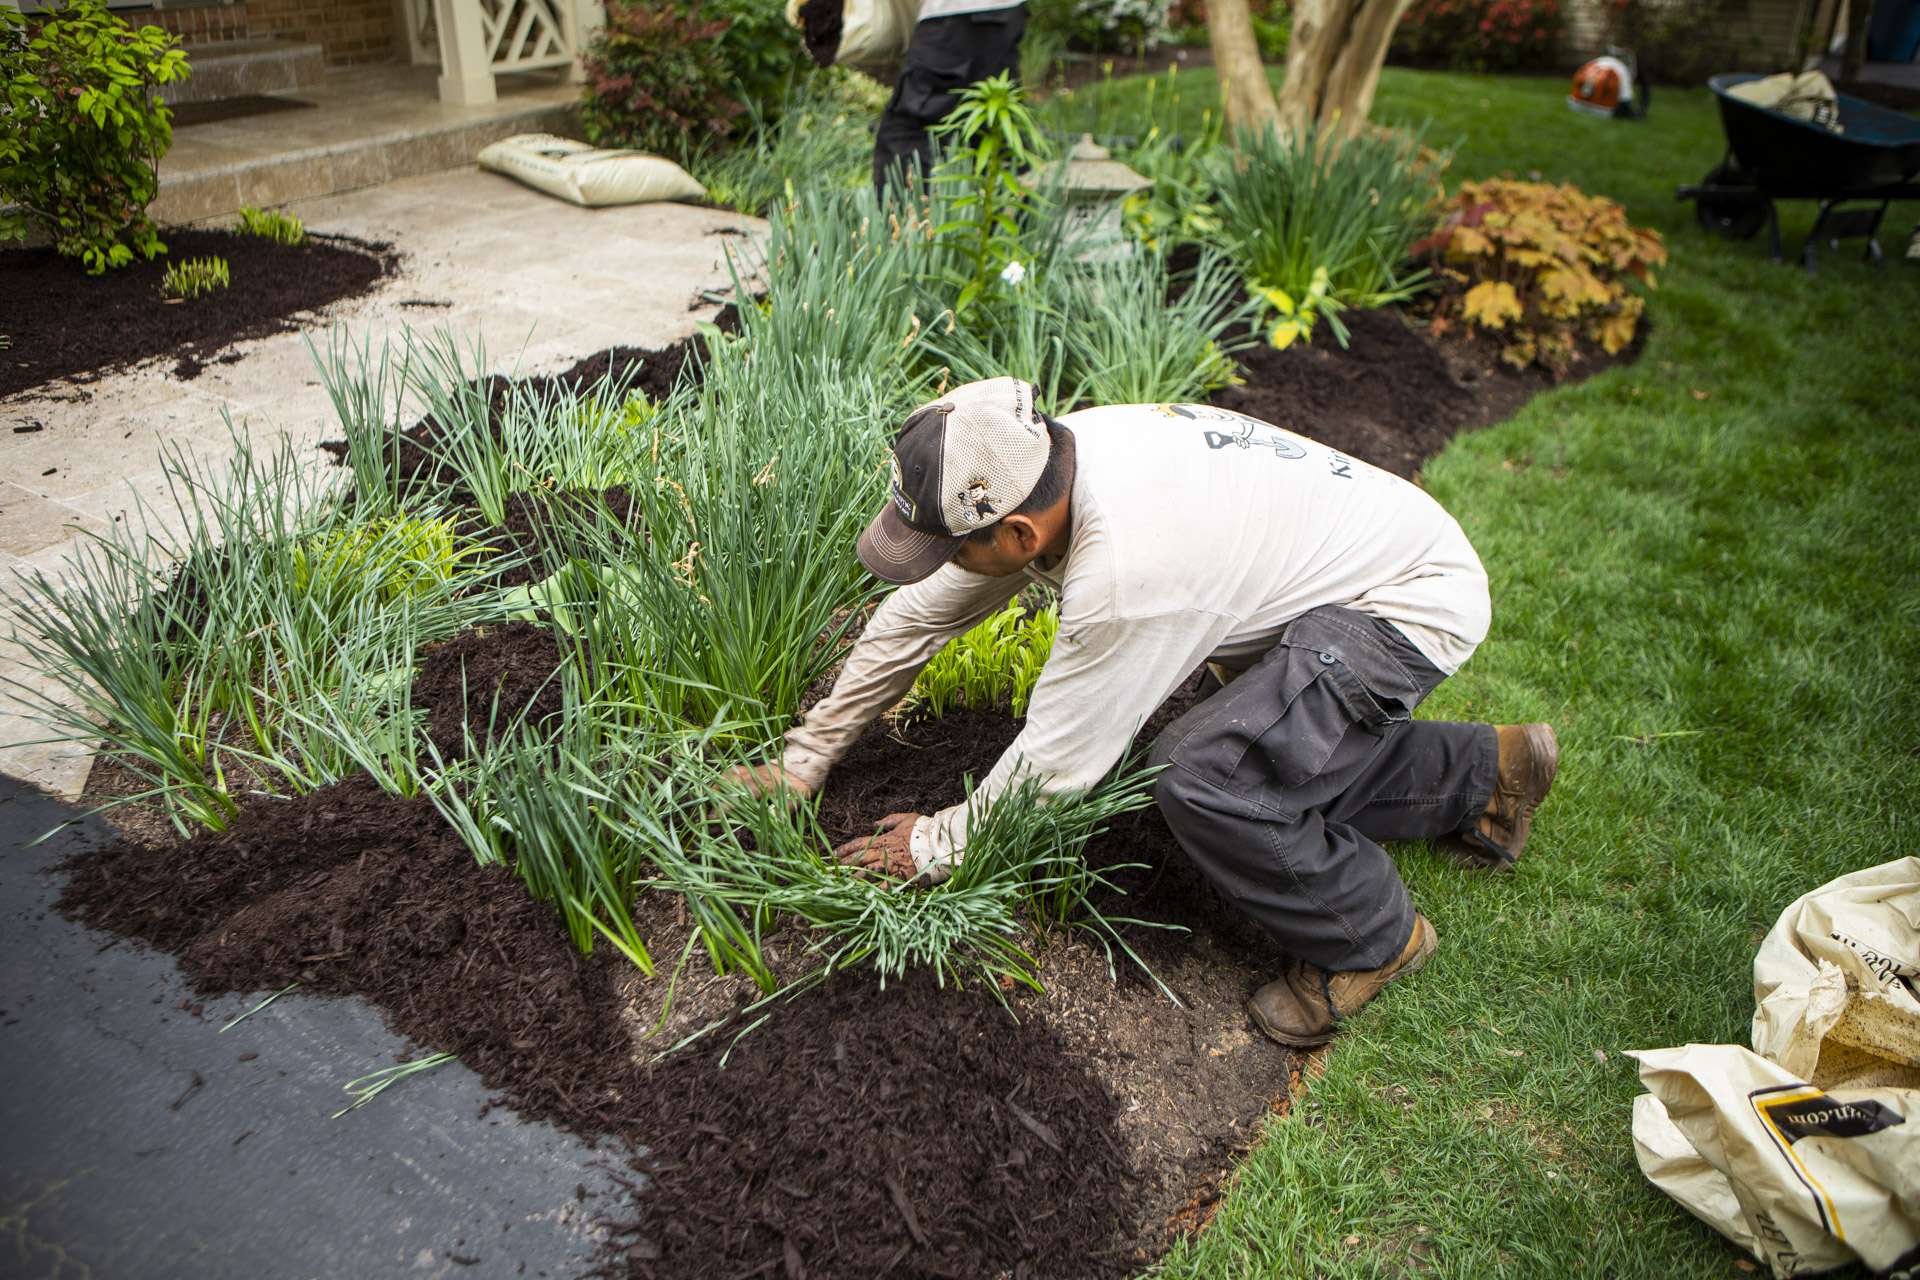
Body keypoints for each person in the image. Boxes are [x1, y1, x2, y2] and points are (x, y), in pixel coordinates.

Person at [736, 378, 1559, 1047]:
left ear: (1019, 533)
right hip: (1340, 561)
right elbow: (916, 616)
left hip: (1405, 599)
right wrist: (808, 758)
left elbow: (1060, 760)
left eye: (955, 548)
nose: (950, 566)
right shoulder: (1045, 461)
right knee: (1261, 746)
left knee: (1203, 775)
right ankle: (1490, 772)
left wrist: (933, 843)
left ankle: (1374, 937)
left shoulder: (1128, 571)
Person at [872, 0, 1028, 194]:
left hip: (957, 13)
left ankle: (907, 219)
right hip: (1000, 14)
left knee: (909, 132)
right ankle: (1005, 215)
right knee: (991, 128)